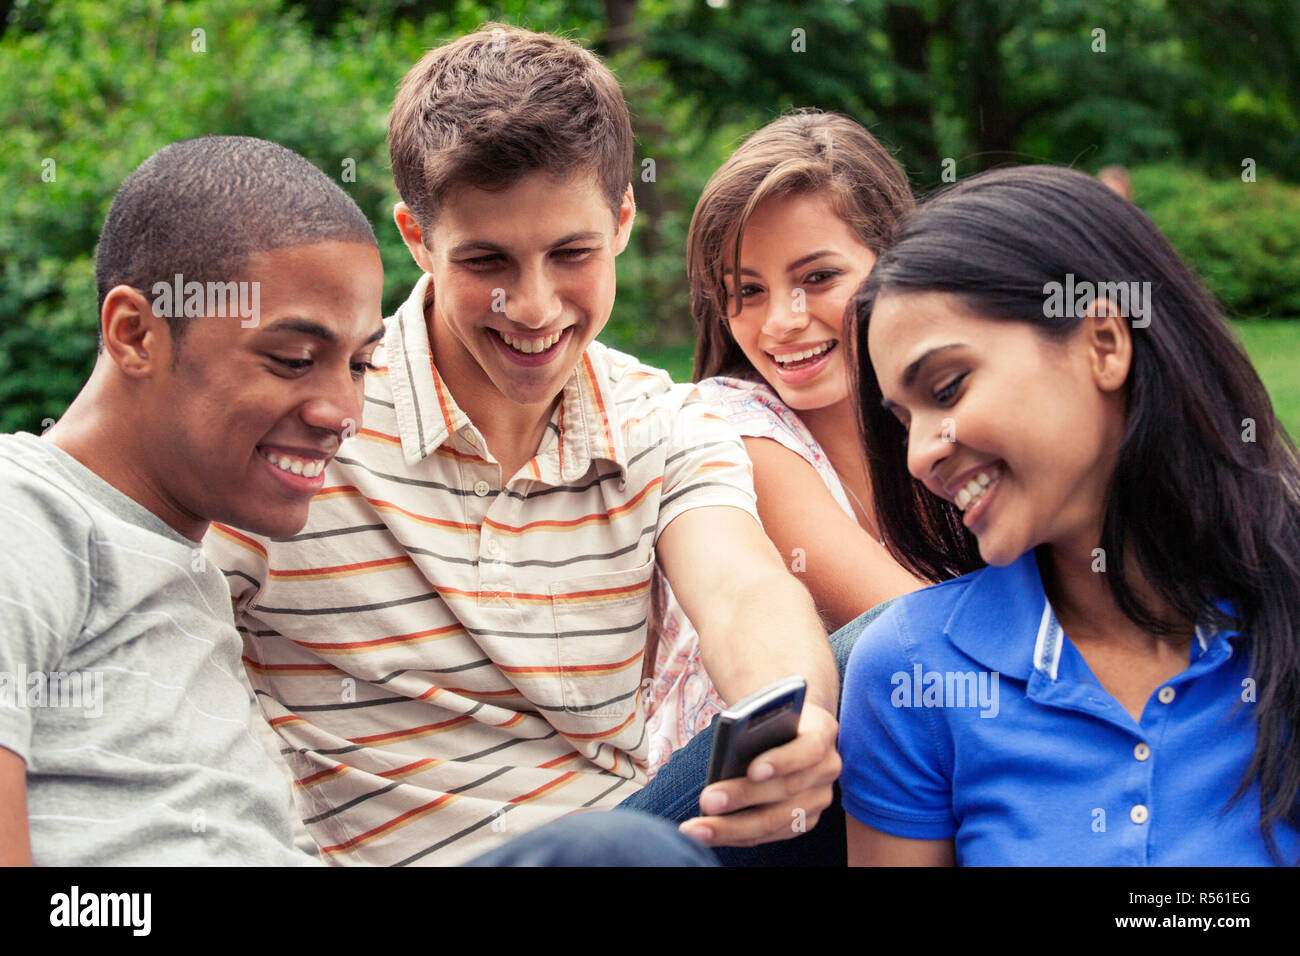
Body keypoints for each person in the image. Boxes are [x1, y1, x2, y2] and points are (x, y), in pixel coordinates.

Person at [203, 24, 841, 867]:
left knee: (883, 666)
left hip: (630, 842)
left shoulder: (663, 423)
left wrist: (790, 718)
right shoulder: (310, 421)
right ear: (417, 239)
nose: (534, 306)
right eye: (487, 261)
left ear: (621, 221)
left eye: (570, 253)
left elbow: (744, 591)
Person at [839, 163, 1300, 865]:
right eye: (903, 420)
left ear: (1105, 344)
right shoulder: (911, 670)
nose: (919, 456)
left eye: (948, 387)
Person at [0, 135, 386, 866]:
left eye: (361, 363)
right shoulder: (25, 513)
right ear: (136, 334)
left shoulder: (183, 562)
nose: (343, 410)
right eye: (294, 360)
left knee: (669, 811)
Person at [645, 111, 926, 775]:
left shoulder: (943, 418)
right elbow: (909, 622)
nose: (782, 321)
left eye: (818, 278)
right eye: (747, 290)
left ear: (894, 260)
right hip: (733, 800)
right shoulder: (729, 425)